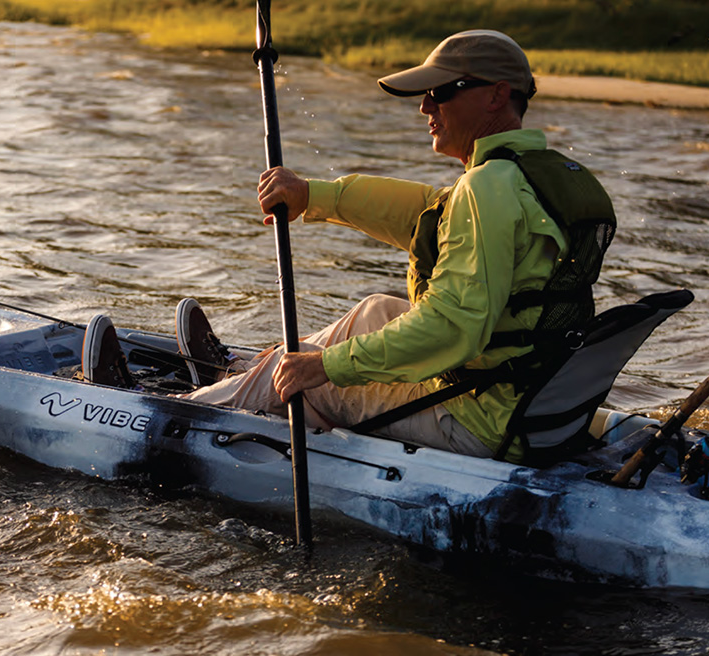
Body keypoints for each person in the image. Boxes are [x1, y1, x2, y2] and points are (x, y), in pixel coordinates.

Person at [82, 29, 614, 461]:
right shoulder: (540, 176)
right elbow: (423, 213)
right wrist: (313, 195)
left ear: (498, 94)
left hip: (480, 418)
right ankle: (237, 375)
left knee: (302, 366)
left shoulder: (488, 188)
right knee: (376, 311)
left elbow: (453, 328)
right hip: (528, 402)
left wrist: (327, 369)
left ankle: (161, 410)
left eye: (443, 91)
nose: (426, 105)